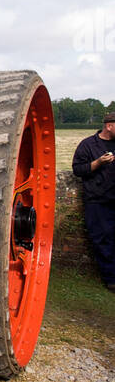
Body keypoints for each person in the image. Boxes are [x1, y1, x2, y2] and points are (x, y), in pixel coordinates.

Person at [71, 110, 115, 290]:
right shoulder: (88, 145)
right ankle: (111, 279)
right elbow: (77, 169)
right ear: (109, 126)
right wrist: (98, 163)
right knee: (102, 240)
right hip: (97, 201)